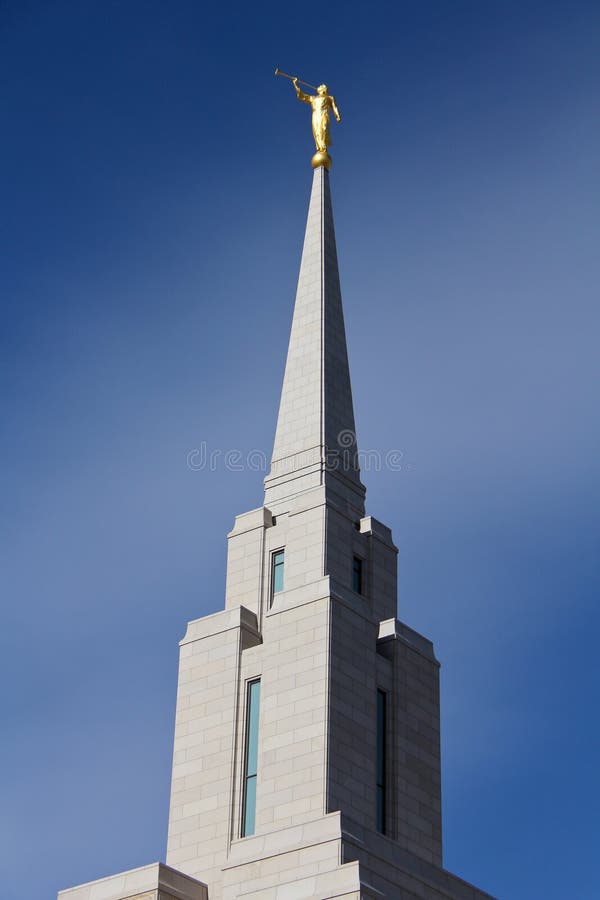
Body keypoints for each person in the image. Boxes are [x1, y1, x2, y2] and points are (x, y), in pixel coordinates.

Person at [292, 78, 341, 153]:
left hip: (324, 114)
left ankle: (323, 147)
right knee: (316, 131)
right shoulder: (313, 98)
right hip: (315, 115)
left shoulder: (329, 98)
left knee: (323, 129)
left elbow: (334, 107)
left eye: (321, 86)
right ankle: (320, 148)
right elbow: (302, 96)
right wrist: (296, 84)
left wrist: (337, 115)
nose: (320, 86)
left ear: (324, 90)